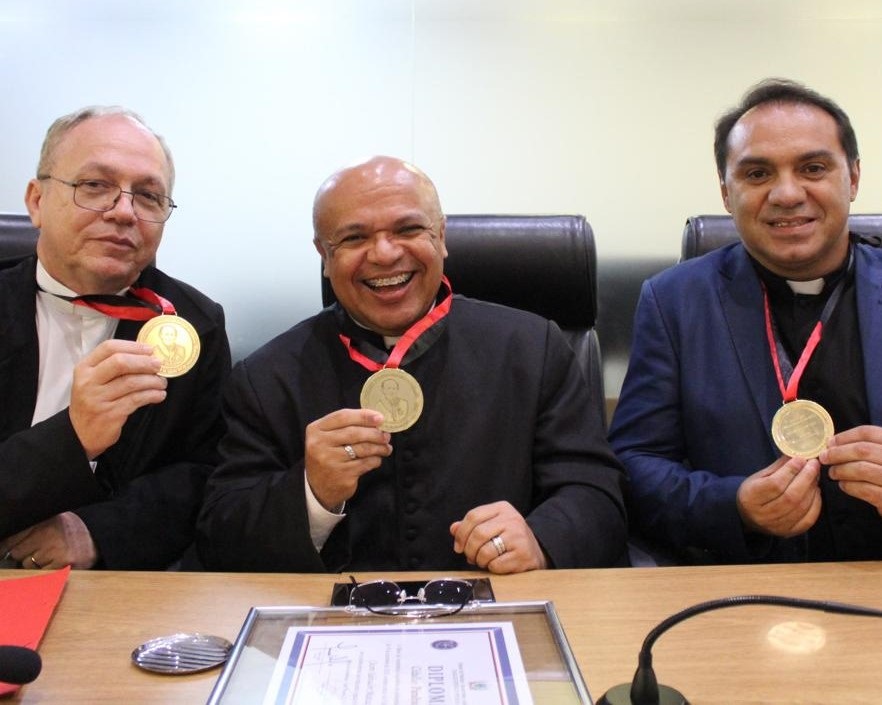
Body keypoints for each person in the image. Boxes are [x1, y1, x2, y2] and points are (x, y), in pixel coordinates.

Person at [197, 155, 627, 573]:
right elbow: (219, 537)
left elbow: (597, 494)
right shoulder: (266, 378)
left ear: (440, 236)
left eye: (408, 229)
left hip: (501, 605)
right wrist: (311, 494)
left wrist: (541, 537)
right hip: (338, 622)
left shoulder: (535, 349)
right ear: (323, 256)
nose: (384, 254)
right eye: (353, 238)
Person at [609, 78, 882, 563]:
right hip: (744, 589)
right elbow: (633, 467)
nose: (786, 193)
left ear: (854, 177)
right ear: (726, 193)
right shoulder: (674, 302)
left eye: (813, 168)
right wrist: (733, 506)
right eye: (757, 174)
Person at [0, 106, 231, 570]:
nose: (124, 211)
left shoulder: (194, 323)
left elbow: (206, 472)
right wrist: (72, 437)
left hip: (113, 587)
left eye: (148, 196)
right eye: (95, 186)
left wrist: (95, 533)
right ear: (37, 200)